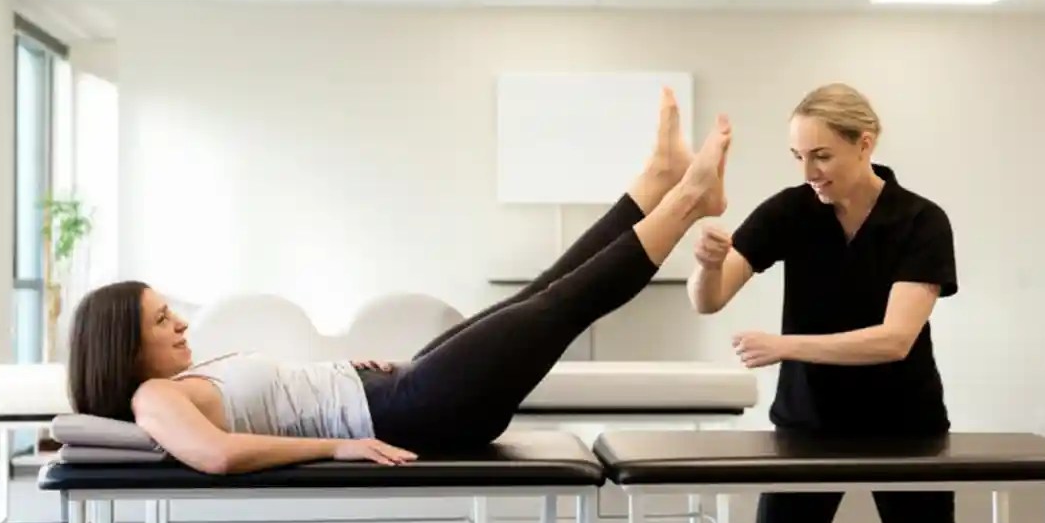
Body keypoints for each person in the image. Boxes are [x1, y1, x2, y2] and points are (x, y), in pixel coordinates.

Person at [67, 89, 733, 475]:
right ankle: (687, 199)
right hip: (411, 409)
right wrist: (338, 443)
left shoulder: (175, 382)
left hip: (396, 386)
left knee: (541, 291)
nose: (179, 321)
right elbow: (214, 455)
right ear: (123, 350)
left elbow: (277, 397)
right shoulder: (153, 398)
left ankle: (656, 179)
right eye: (160, 321)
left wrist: (340, 375)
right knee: (561, 304)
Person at [687, 83, 959, 523]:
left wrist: (785, 346)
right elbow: (709, 300)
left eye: (822, 156)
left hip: (905, 424)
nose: (809, 171)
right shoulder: (790, 210)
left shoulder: (922, 221)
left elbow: (894, 341)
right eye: (798, 156)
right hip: (807, 422)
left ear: (865, 143)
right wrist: (708, 264)